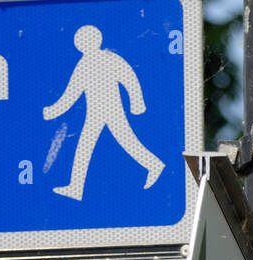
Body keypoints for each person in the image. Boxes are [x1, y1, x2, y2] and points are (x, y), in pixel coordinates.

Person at [43, 25, 164, 201]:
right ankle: (76, 187)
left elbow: (129, 78)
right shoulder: (85, 64)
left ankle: (154, 165)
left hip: (110, 109)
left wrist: (137, 103)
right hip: (97, 112)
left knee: (123, 141)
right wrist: (53, 111)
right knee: (92, 144)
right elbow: (72, 93)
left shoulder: (106, 59)